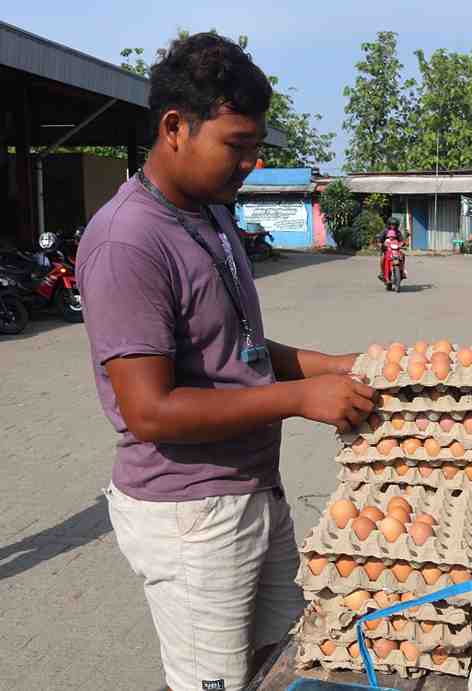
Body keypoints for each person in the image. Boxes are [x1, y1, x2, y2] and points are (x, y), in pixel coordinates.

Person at [77, 33, 377, 691]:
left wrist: (332, 365)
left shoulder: (210, 214)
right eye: (236, 145)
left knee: (287, 660)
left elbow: (235, 350)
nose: (251, 162)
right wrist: (299, 399)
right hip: (192, 514)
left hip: (253, 488)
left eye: (256, 145)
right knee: (213, 682)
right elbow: (149, 410)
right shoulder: (128, 241)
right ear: (174, 128)